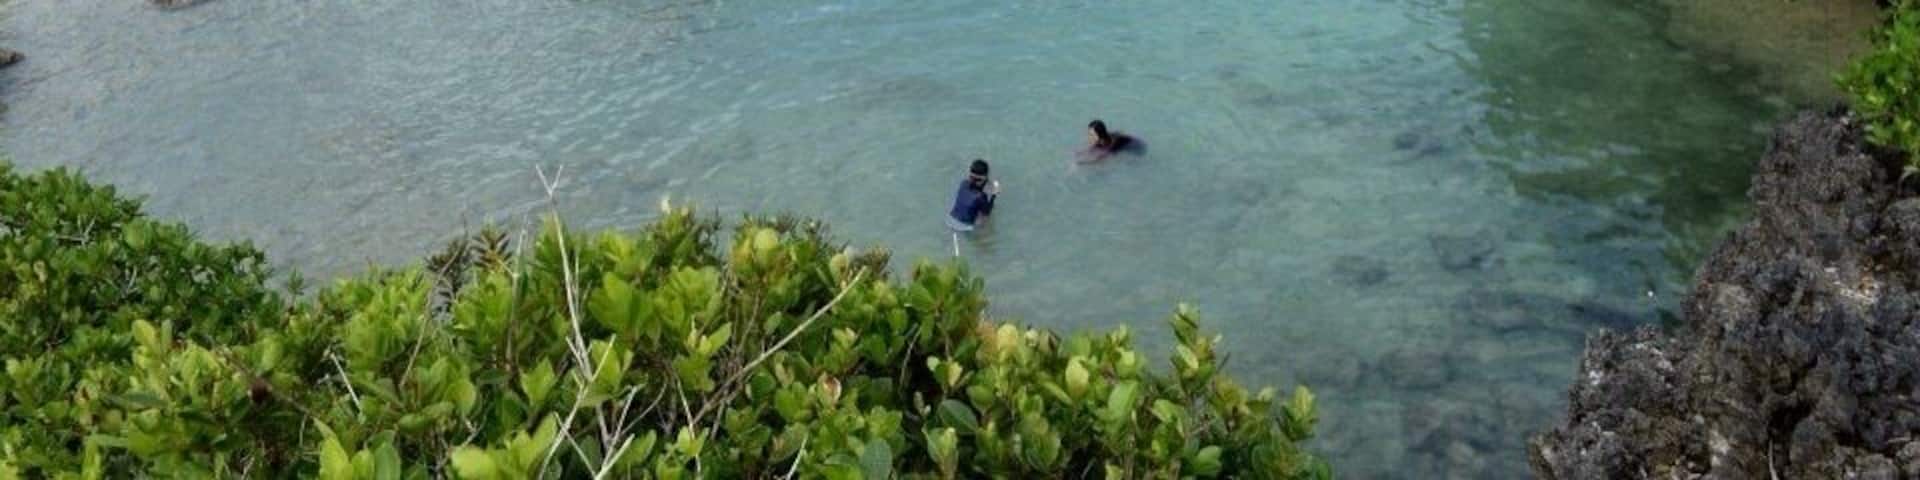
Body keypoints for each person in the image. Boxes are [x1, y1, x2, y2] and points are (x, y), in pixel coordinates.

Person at [947, 159, 998, 232]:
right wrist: (994, 194)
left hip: (950, 220)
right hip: (965, 227)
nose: (974, 181)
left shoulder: (963, 183)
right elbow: (987, 212)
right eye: (974, 179)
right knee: (984, 219)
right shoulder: (981, 196)